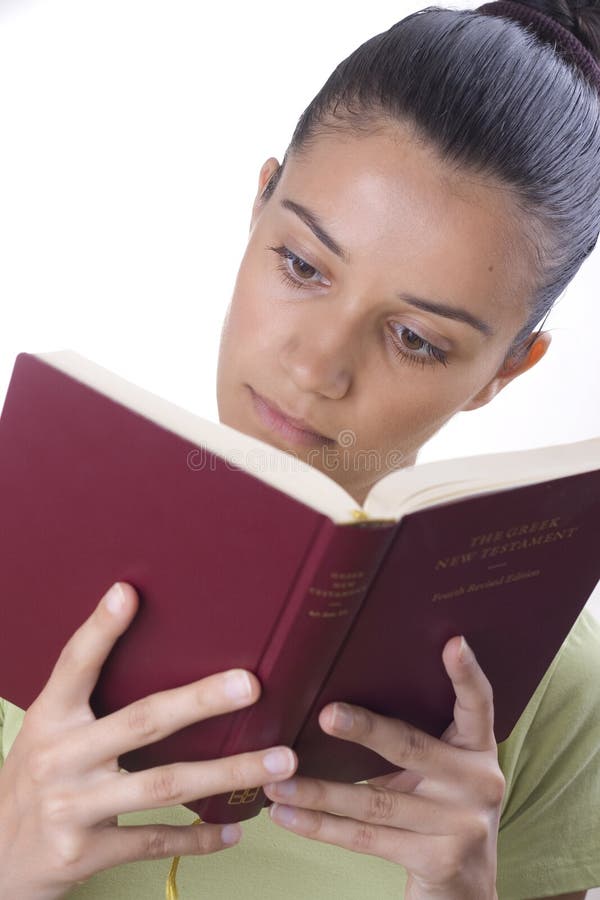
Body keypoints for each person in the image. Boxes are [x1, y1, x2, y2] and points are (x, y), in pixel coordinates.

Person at [1, 1, 599, 897]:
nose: (318, 366)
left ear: (505, 373)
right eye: (304, 266)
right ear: (259, 204)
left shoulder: (555, 692)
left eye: (417, 339)